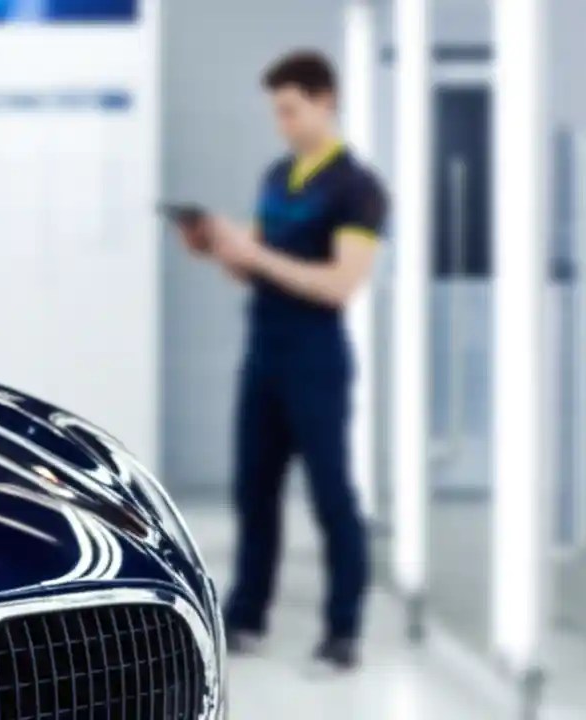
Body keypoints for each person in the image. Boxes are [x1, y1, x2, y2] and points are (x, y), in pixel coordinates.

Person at [177, 50, 388, 671]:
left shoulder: (357, 188)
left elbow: (339, 284)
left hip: (316, 359)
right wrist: (216, 248)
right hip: (264, 353)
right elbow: (255, 271)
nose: (283, 123)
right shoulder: (277, 177)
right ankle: (246, 618)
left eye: (291, 110)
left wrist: (254, 252)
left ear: (327, 100)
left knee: (330, 498)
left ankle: (343, 631)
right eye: (276, 112)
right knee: (254, 492)